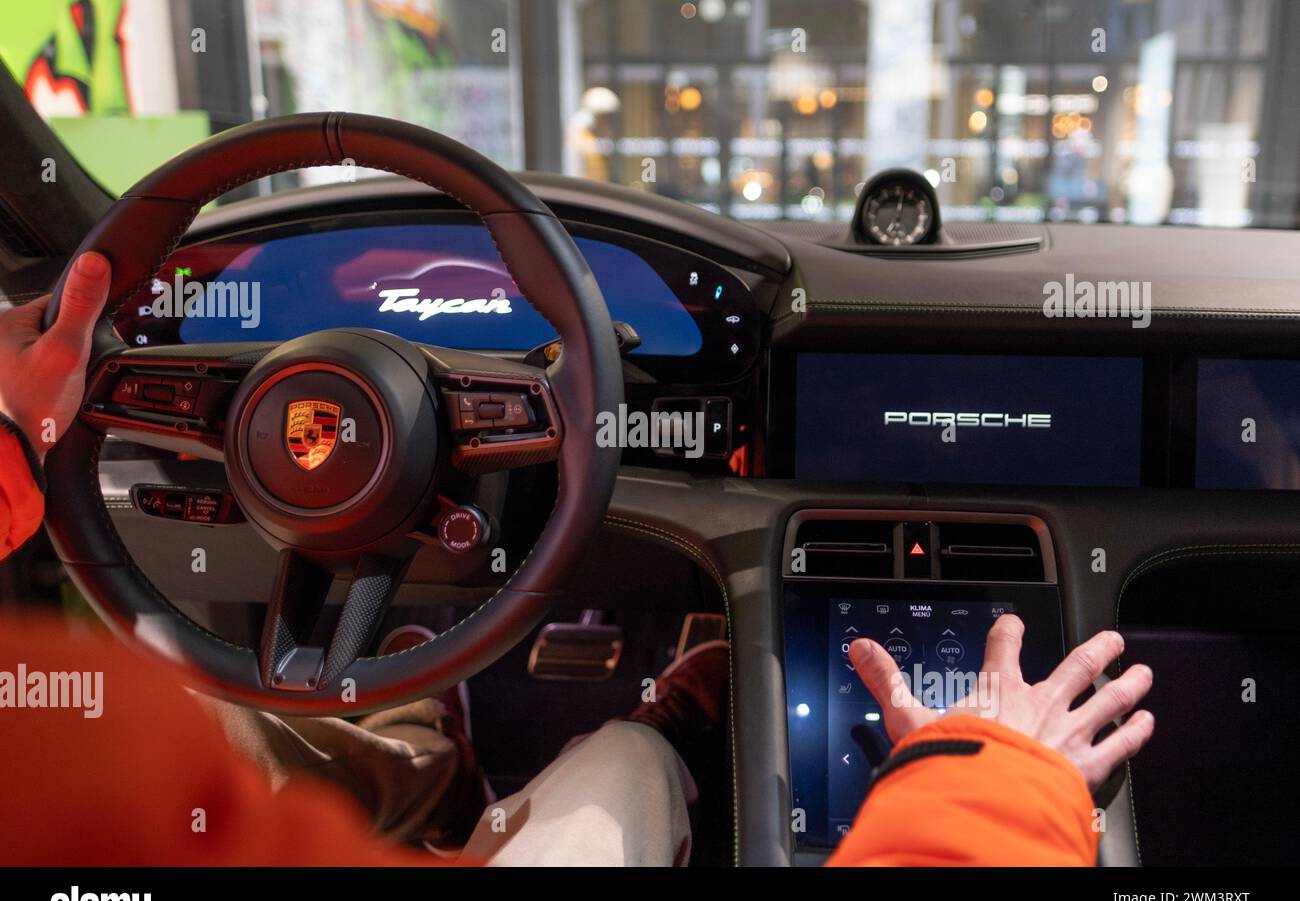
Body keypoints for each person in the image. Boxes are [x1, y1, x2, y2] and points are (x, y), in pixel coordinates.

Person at [0, 254, 1155, 866]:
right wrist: (998, 771)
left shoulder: (66, 750)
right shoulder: (90, 748)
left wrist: (13, 446)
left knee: (242, 731)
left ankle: (418, 734)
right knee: (616, 762)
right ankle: (661, 731)